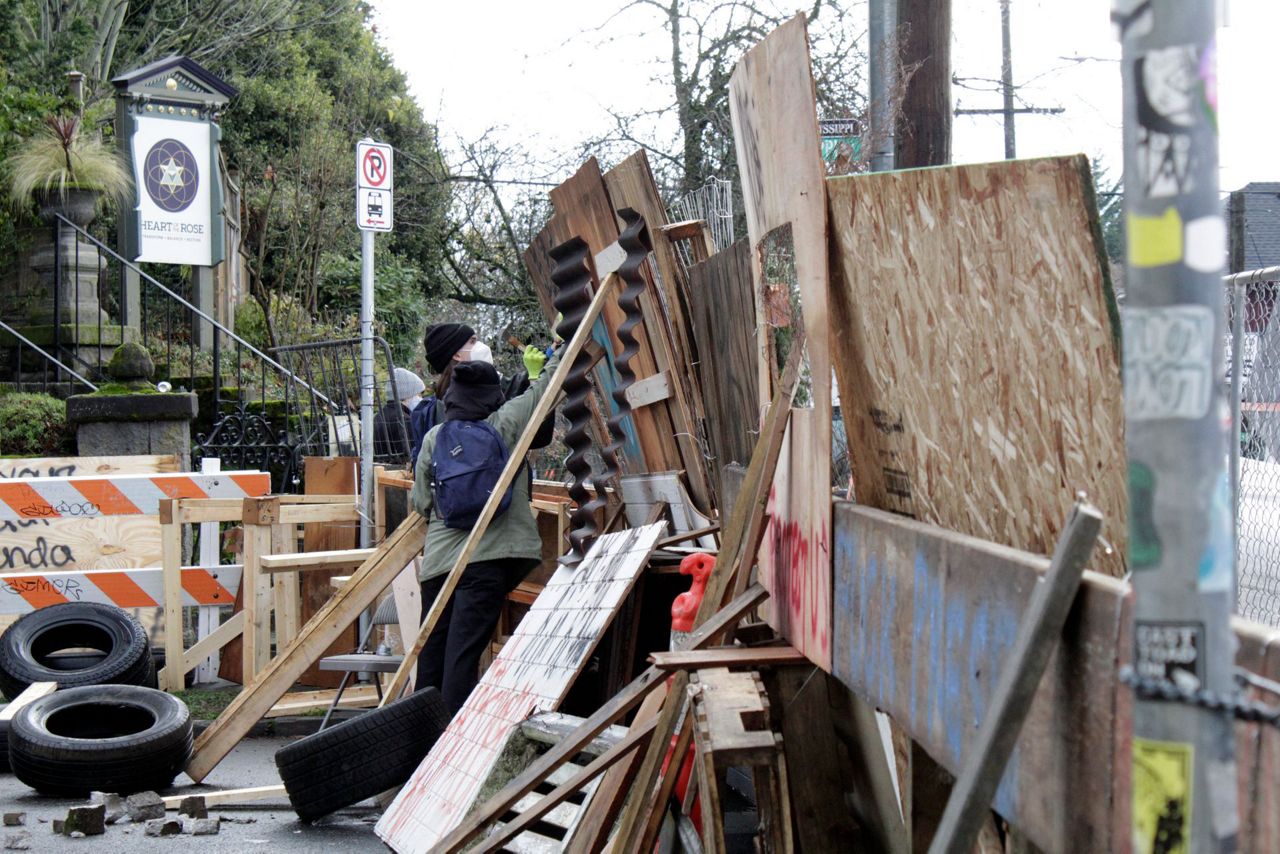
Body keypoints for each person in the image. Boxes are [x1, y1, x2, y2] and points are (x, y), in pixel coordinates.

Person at [410, 345, 560, 713]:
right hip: (487, 563)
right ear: (492, 395)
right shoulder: (503, 424)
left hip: (440, 565)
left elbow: (421, 502)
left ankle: (419, 738)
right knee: (463, 657)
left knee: (431, 655)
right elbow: (547, 390)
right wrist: (557, 351)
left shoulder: (435, 438)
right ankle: (451, 738)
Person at [372, 367, 425, 463]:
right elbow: (411, 457)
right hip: (399, 471)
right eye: (418, 394)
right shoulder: (404, 420)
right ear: (407, 394)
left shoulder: (378, 417)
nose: (421, 398)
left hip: (379, 469)